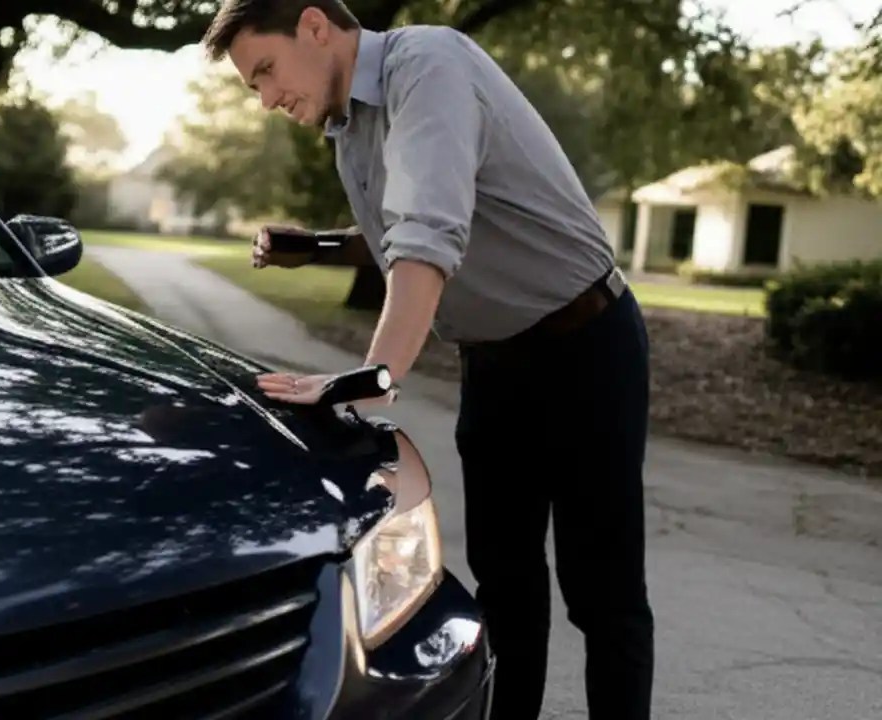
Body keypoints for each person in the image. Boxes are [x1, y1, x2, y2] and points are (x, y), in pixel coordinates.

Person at [200, 1, 655, 718]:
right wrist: (313, 246)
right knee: (506, 589)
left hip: (586, 347)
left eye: (265, 70)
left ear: (315, 26)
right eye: (252, 86)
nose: (266, 98)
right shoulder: (351, 124)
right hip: (497, 367)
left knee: (604, 595)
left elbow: (427, 235)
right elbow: (395, 227)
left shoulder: (430, 66)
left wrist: (369, 378)